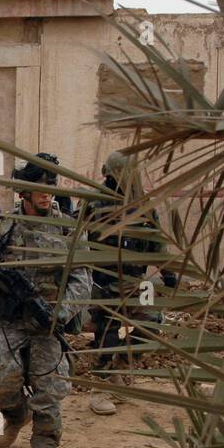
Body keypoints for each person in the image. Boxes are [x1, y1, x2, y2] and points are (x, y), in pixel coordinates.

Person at [0, 185, 92, 448]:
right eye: (39, 190)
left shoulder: (67, 229)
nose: (46, 196)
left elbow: (82, 277)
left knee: (48, 383)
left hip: (48, 320)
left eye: (49, 190)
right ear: (24, 193)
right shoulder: (3, 225)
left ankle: (45, 443)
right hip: (10, 319)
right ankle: (15, 414)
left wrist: (59, 312)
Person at [86, 150, 176, 415]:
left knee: (152, 325)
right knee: (108, 333)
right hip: (105, 282)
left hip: (136, 282)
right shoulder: (95, 203)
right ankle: (99, 388)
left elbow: (157, 240)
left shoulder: (142, 203)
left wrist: (168, 273)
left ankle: (118, 368)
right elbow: (77, 239)